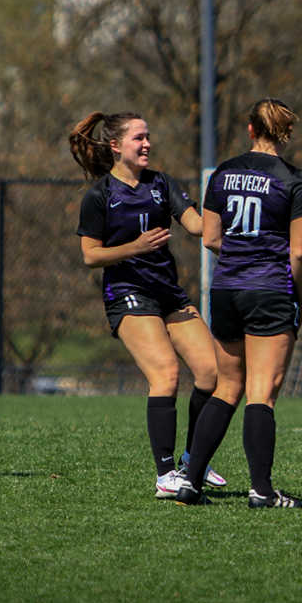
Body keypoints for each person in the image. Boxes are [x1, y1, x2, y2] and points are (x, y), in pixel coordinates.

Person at [70, 111, 222, 500]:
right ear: (115, 146)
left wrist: (227, 203)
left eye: (148, 136)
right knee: (166, 374)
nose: (147, 144)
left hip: (167, 291)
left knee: (212, 373)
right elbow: (90, 255)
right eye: (138, 138)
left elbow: (197, 226)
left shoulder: (161, 183)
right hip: (127, 292)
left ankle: (192, 460)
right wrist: (133, 248)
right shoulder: (100, 195)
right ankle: (166, 475)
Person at [176, 98, 302, 508]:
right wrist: (301, 297)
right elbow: (300, 253)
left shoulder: (223, 172)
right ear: (287, 133)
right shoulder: (295, 179)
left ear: (250, 129)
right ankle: (262, 492)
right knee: (261, 393)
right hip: (269, 289)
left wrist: (241, 255)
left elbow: (210, 237)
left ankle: (190, 483)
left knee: (227, 387)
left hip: (225, 290)